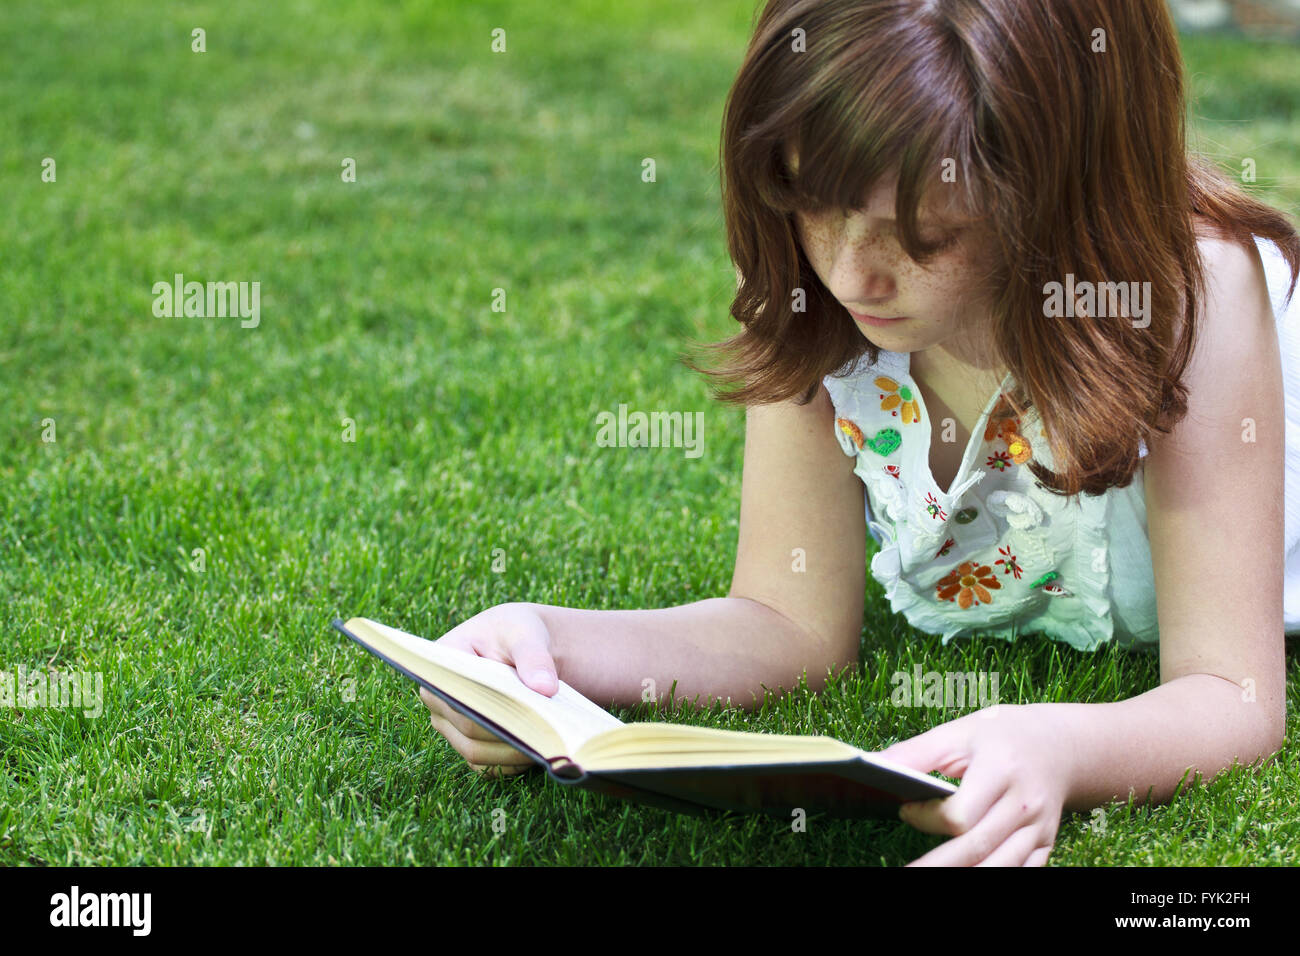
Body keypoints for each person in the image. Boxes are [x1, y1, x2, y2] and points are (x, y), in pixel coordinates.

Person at [423, 0, 1299, 865]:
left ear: (1058, 195)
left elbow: (1231, 692)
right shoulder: (824, 301)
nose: (851, 272)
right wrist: (547, 646)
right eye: (815, 204)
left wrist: (1059, 747)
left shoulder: (1192, 299)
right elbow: (785, 622)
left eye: (923, 234)